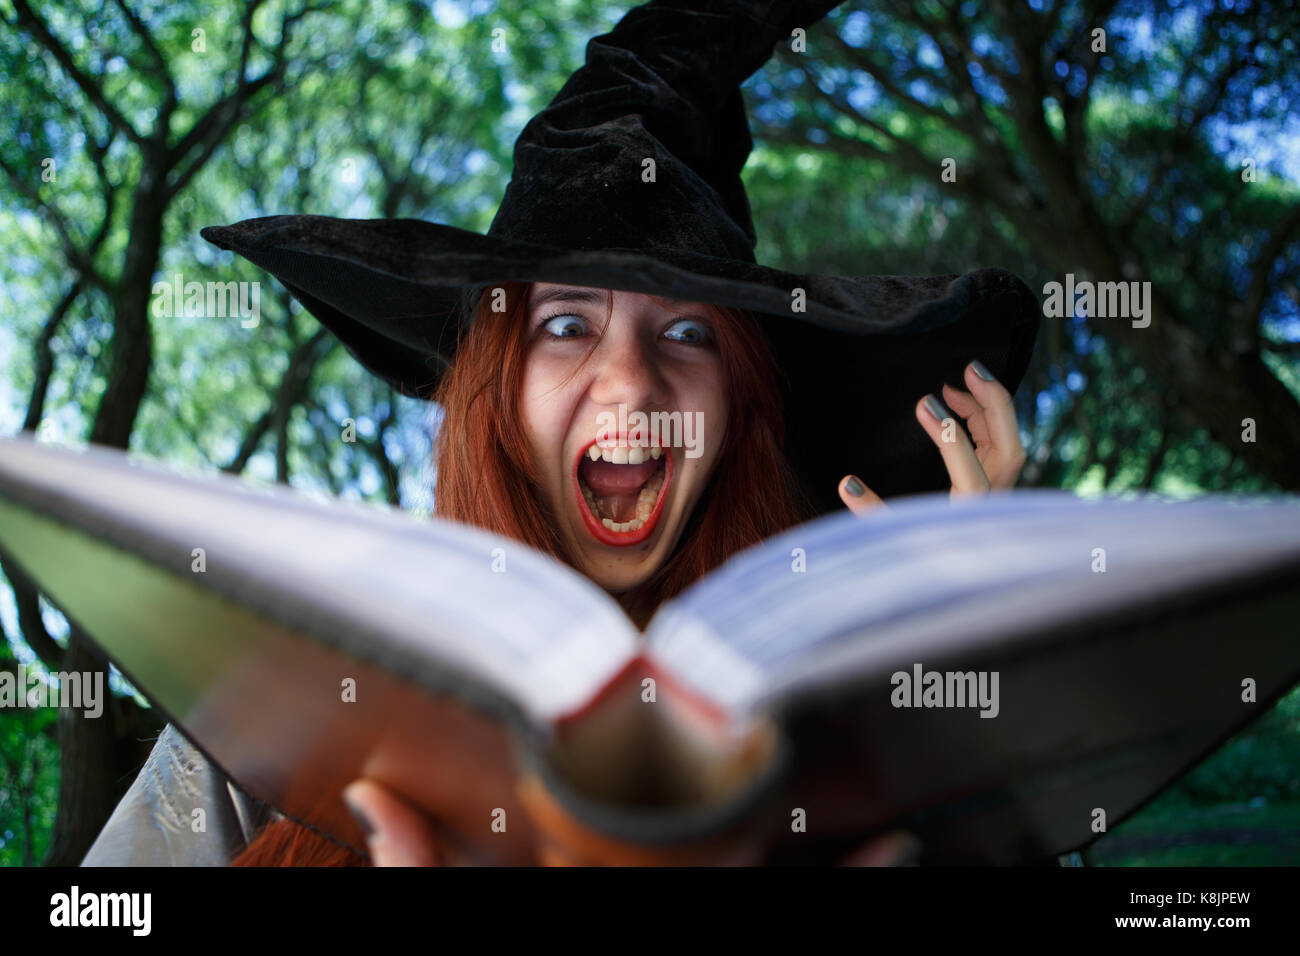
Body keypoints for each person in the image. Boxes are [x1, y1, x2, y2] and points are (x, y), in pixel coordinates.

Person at [82, 0, 1041, 867]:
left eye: (687, 331)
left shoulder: (844, 729)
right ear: (493, 393)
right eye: (567, 324)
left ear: (744, 411)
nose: (628, 382)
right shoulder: (280, 697)